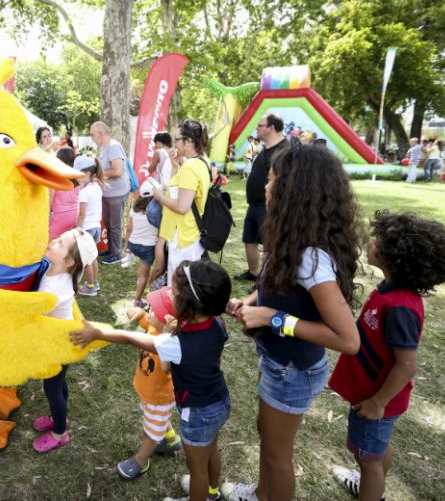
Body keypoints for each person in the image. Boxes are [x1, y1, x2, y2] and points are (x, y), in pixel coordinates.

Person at [226, 140, 363, 501]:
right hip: (277, 362)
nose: (266, 186)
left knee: (277, 454)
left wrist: (272, 318)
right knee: (266, 436)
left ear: (293, 191)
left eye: (272, 180)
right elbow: (275, 283)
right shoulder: (291, 238)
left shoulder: (312, 258)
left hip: (292, 371)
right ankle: (260, 493)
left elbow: (348, 340)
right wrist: (251, 301)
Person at [70, 259, 232, 501]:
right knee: (210, 451)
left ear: (188, 304)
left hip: (197, 412)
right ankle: (211, 492)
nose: (169, 295)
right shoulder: (216, 322)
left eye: (174, 293)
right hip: (219, 401)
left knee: (196, 470)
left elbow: (130, 339)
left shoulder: (177, 344)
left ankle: (202, 495)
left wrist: (98, 332)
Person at [329, 211, 445, 501]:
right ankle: (370, 481)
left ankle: (370, 486)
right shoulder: (390, 292)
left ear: (395, 256)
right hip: (368, 394)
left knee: (369, 459)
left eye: (379, 240)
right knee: (371, 452)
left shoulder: (401, 307)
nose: (372, 242)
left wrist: (378, 403)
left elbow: (406, 366)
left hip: (376, 400)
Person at [33, 228, 98, 453]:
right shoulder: (56, 270)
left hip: (57, 346)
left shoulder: (55, 289)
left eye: (60, 243)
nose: (53, 241)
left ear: (69, 260)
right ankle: (59, 416)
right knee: (58, 384)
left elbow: (36, 317)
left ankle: (59, 432)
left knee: (52, 388)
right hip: (60, 342)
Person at [113, 288, 182, 480]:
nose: (150, 311)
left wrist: (167, 338)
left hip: (159, 397)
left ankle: (141, 460)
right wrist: (140, 315)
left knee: (151, 431)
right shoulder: (155, 328)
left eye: (155, 311)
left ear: (170, 323)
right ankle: (170, 439)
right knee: (156, 420)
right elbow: (147, 324)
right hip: (149, 392)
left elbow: (166, 368)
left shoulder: (173, 343)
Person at [152, 119, 212, 286]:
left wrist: (160, 198)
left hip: (184, 237)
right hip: (189, 234)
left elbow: (182, 206)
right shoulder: (201, 162)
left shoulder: (190, 167)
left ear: (189, 141)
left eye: (177, 140)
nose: (174, 144)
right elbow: (181, 191)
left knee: (179, 287)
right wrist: (174, 164)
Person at [234, 114, 287, 282]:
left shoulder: (283, 150)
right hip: (254, 205)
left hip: (269, 206)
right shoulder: (266, 148)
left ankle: (265, 280)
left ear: (271, 128)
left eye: (260, 125)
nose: (256, 128)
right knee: (249, 239)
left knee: (269, 246)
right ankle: (253, 272)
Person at [89, 121, 130, 264]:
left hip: (116, 193)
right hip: (108, 193)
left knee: (114, 224)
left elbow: (117, 171)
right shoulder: (104, 147)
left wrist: (98, 176)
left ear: (100, 134)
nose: (91, 137)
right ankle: (112, 249)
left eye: (92, 134)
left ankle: (117, 253)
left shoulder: (113, 147)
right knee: (108, 222)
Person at [75, 155, 105, 296]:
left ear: (87, 174)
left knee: (86, 260)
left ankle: (90, 287)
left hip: (85, 229)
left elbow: (81, 214)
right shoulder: (96, 186)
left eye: (78, 174)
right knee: (93, 257)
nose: (76, 178)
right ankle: (94, 282)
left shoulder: (84, 192)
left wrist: (77, 229)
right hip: (96, 227)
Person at [124, 196, 159, 308]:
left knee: (143, 274)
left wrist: (127, 245)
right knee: (143, 275)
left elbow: (129, 228)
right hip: (148, 248)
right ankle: (138, 300)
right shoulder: (158, 211)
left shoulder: (133, 210)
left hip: (134, 244)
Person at [48, 148, 81, 241]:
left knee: (50, 246)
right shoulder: (77, 176)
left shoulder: (56, 177)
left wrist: (46, 217)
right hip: (75, 215)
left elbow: (50, 198)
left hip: (60, 217)